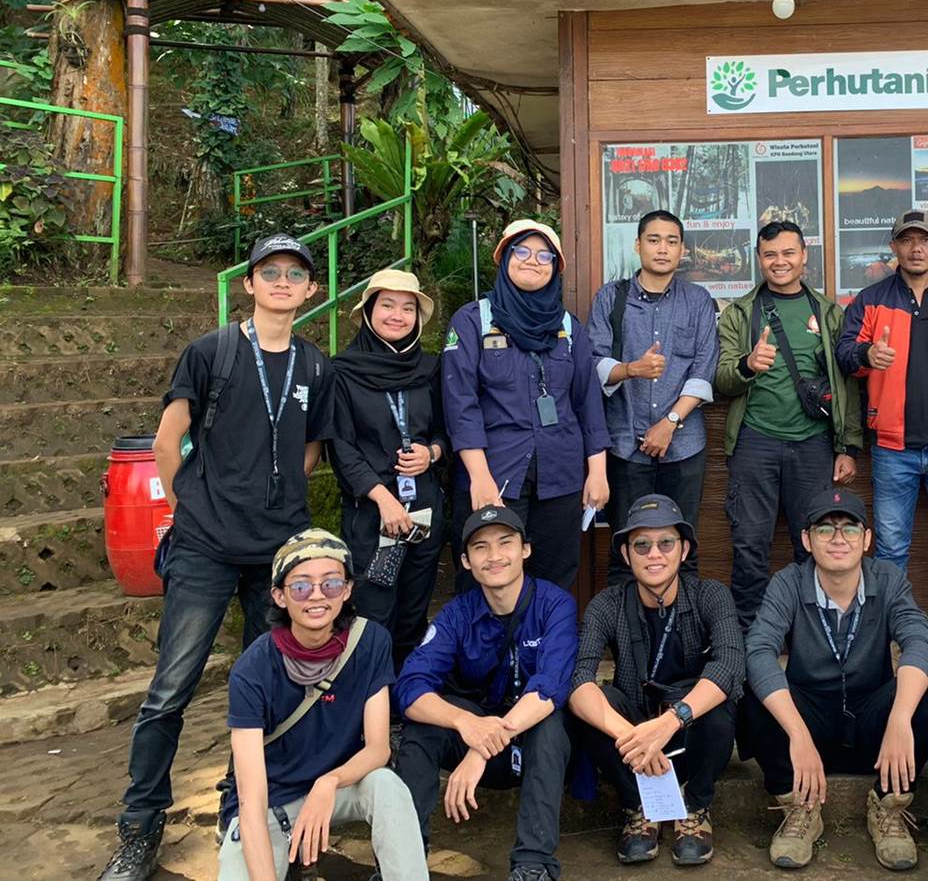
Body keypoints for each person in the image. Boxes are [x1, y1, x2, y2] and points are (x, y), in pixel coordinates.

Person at [100, 234, 335, 881]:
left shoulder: (316, 366)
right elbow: (169, 438)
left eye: (295, 272)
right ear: (250, 284)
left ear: (311, 288)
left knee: (266, 689)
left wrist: (278, 491)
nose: (283, 280)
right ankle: (139, 829)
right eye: (270, 271)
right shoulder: (212, 353)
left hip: (277, 556)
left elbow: (312, 452)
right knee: (170, 690)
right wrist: (192, 505)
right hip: (204, 548)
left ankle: (246, 810)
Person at [743, 490, 928, 872]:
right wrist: (798, 735)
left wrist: (899, 720)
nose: (838, 539)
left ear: (866, 540)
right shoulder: (788, 582)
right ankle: (799, 805)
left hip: (875, 727)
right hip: (809, 727)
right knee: (753, 691)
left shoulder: (887, 577)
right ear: (806, 540)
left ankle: (888, 804)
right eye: (825, 529)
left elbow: (918, 639)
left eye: (850, 528)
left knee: (927, 694)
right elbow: (758, 650)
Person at [218, 529, 427, 881]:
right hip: (273, 802)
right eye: (300, 586)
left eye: (330, 584)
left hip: (340, 787)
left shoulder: (370, 641)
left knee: (387, 786)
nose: (316, 596)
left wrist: (329, 782)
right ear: (280, 596)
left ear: (346, 591)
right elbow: (252, 802)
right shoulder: (251, 671)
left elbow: (378, 749)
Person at [395, 505, 578, 881]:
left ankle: (533, 865)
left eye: (505, 543)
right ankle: (404, 862)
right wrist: (466, 724)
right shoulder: (456, 614)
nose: (494, 557)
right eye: (481, 548)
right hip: (480, 736)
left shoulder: (555, 605)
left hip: (535, 747)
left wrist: (484, 745)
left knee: (550, 722)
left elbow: (549, 688)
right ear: (465, 561)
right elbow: (411, 687)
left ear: (525, 549)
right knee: (424, 727)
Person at [569, 496, 743, 867]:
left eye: (666, 543)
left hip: (687, 729)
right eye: (642, 545)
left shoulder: (710, 595)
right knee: (596, 705)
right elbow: (579, 677)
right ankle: (638, 807)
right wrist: (632, 737)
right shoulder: (606, 604)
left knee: (719, 704)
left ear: (684, 550)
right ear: (625, 553)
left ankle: (695, 808)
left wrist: (670, 722)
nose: (654, 555)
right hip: (634, 736)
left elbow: (730, 663)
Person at [443, 218, 609, 591]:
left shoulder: (568, 326)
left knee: (556, 575)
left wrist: (596, 472)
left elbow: (588, 402)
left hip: (561, 475)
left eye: (545, 255)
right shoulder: (473, 320)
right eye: (522, 251)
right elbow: (460, 404)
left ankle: (548, 650)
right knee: (486, 576)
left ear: (555, 267)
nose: (533, 261)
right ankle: (488, 652)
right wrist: (480, 478)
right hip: (496, 474)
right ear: (504, 258)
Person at [717, 220, 864, 627]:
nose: (779, 262)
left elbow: (847, 385)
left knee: (813, 543)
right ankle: (750, 637)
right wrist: (747, 365)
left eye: (787, 253)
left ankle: (809, 635)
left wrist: (847, 447)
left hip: (814, 444)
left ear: (804, 257)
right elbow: (721, 377)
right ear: (759, 260)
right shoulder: (740, 313)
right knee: (749, 544)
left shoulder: (830, 313)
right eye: (770, 255)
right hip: (754, 442)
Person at [835, 210, 928, 594]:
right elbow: (843, 354)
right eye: (906, 240)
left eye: (924, 240)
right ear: (894, 248)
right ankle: (892, 640)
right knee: (890, 551)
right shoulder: (871, 300)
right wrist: (867, 355)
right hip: (892, 448)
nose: (916, 248)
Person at [587, 210, 718, 585]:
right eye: (654, 240)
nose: (663, 249)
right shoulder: (610, 298)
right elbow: (594, 362)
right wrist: (632, 369)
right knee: (626, 548)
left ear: (683, 251)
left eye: (672, 241)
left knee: (683, 546)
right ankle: (630, 642)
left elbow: (704, 369)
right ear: (638, 245)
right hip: (625, 445)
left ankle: (683, 639)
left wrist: (670, 423)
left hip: (684, 445)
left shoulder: (697, 300)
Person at [329, 269, 447, 673]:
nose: (397, 315)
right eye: (387, 305)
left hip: (425, 508)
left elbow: (446, 431)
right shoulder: (342, 372)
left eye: (408, 307)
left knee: (415, 609)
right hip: (373, 512)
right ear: (368, 312)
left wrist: (431, 453)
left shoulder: (429, 369)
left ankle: (409, 700)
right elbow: (341, 447)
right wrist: (383, 498)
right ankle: (371, 706)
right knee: (373, 612)